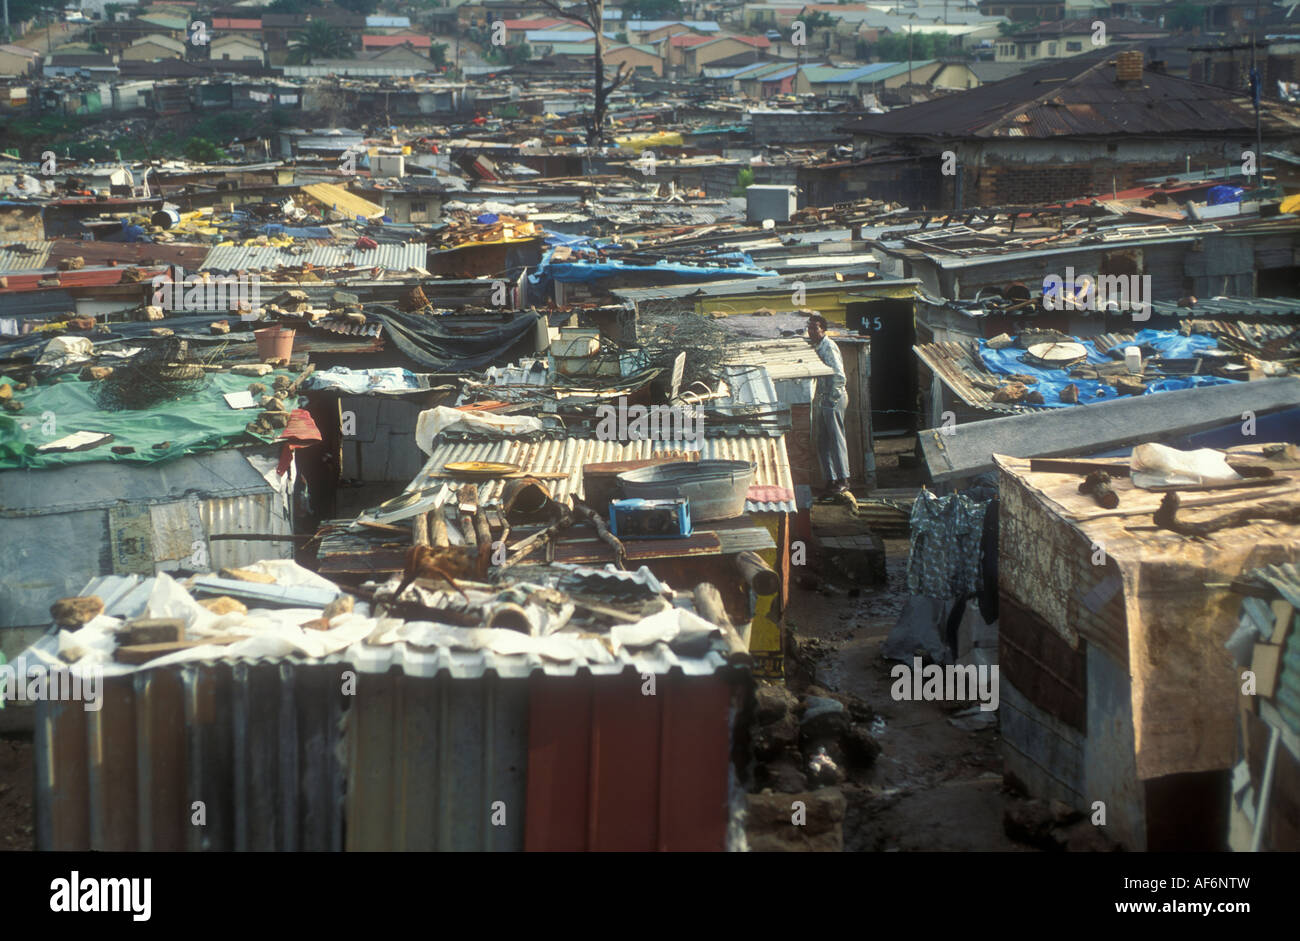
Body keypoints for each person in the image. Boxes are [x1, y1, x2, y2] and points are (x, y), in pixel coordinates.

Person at [807, 314, 850, 497]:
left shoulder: (829, 346)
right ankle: (830, 480)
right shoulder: (815, 347)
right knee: (822, 440)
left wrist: (831, 399)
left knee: (835, 437)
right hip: (822, 398)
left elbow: (839, 376)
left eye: (815, 328)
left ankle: (844, 479)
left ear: (823, 329)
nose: (811, 332)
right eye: (809, 328)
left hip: (834, 397)